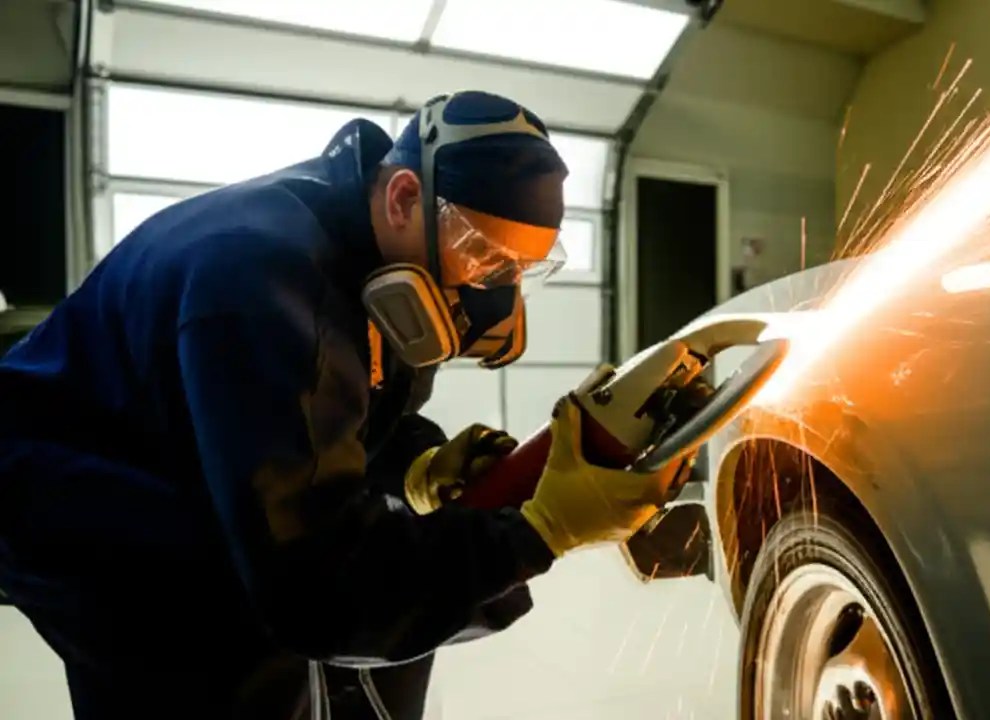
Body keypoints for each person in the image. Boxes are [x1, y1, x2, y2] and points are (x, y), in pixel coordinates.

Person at [0, 91, 689, 719]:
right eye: (481, 253)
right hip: (72, 492)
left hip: (171, 453)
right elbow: (313, 587)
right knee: (216, 654)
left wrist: (416, 459)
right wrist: (537, 534)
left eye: (515, 270)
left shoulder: (372, 253)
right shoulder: (260, 285)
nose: (488, 292)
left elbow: (334, 411)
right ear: (403, 196)